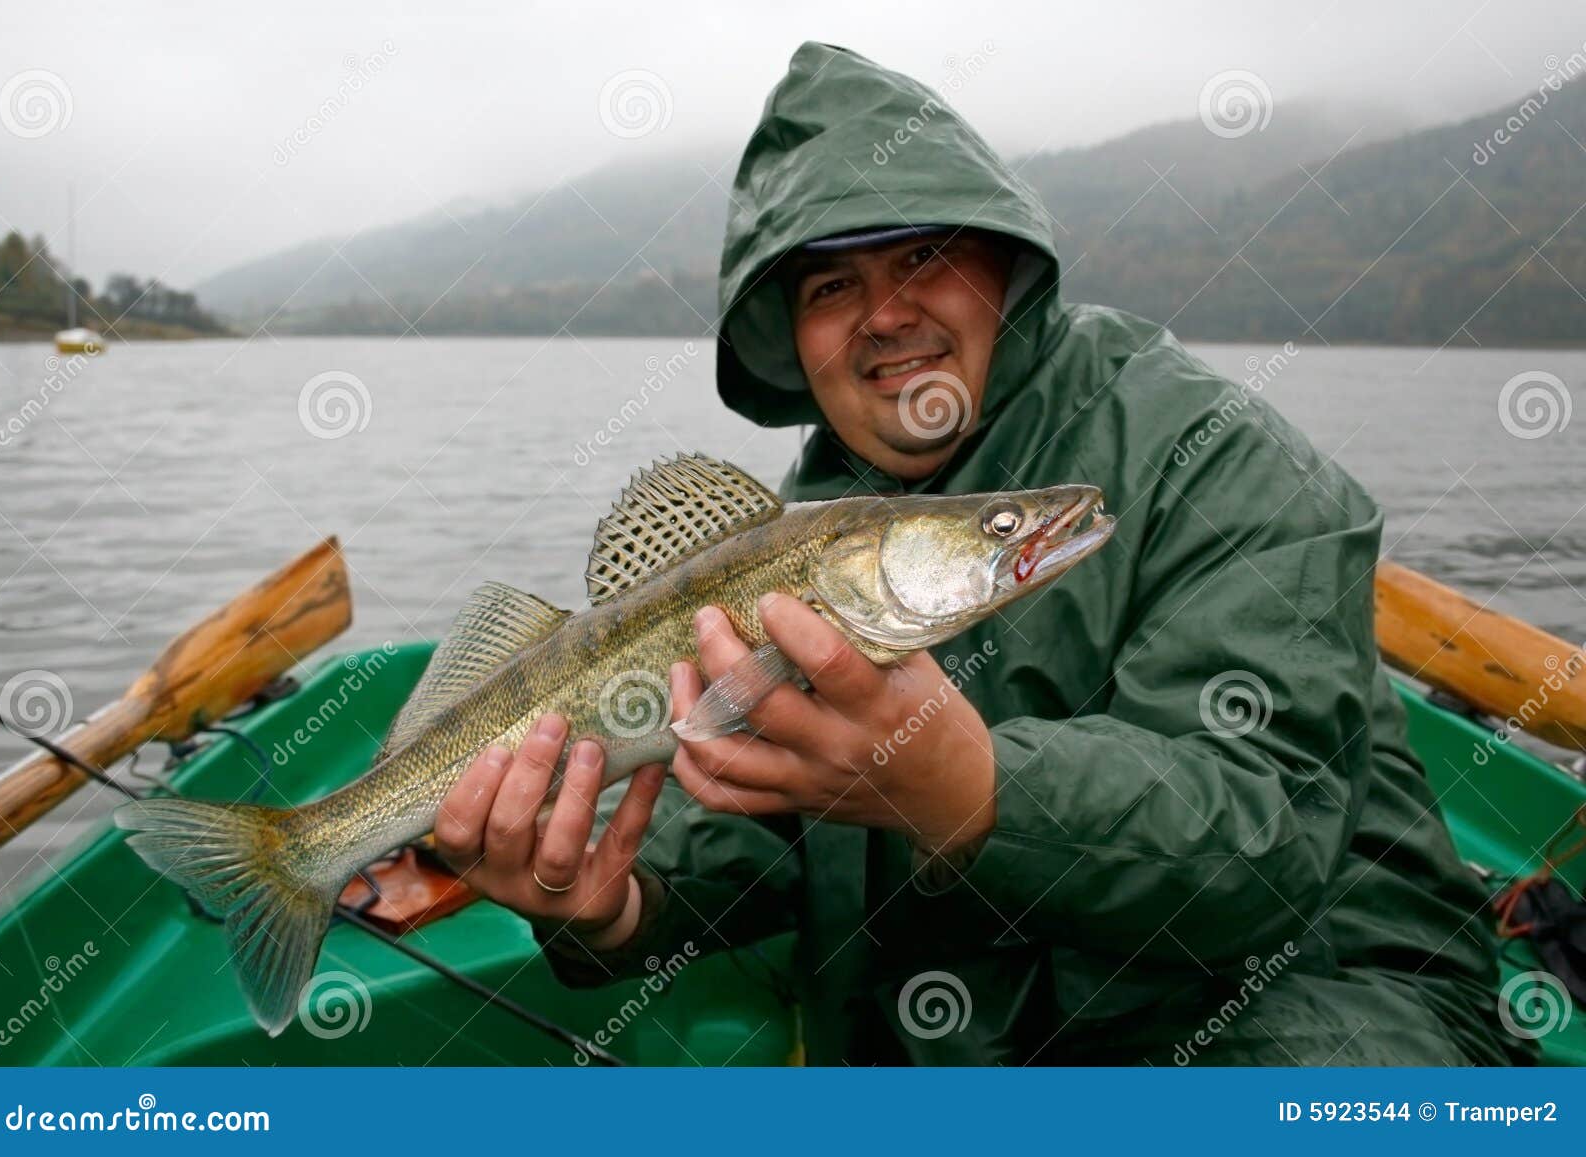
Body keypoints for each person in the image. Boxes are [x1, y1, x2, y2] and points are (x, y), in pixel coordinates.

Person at [433, 42, 1528, 1065]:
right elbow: (737, 833)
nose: (884, 312)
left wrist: (967, 787)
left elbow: (1266, 846)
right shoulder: (789, 536)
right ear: (792, 341)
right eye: (828, 286)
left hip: (1315, 1003)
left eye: (923, 257)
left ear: (1005, 271)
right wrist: (608, 907)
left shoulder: (1220, 461)